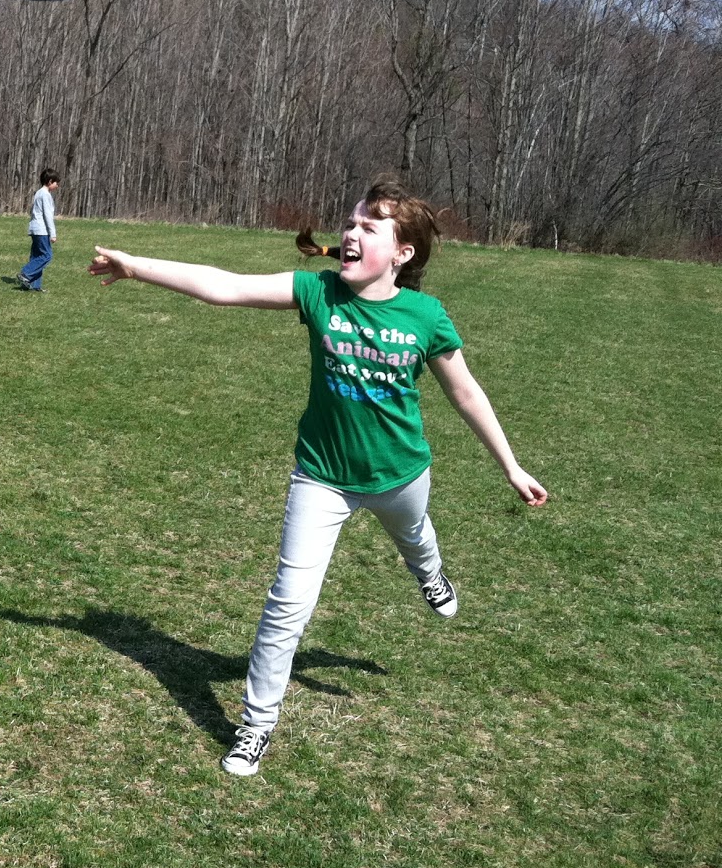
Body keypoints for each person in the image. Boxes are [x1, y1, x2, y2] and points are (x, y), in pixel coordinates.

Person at [88, 176, 547, 777]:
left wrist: (511, 466)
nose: (350, 234)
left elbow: (465, 392)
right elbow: (223, 287)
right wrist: (135, 265)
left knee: (416, 540)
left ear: (402, 254)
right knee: (288, 605)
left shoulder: (426, 316)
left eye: (368, 228)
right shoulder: (318, 292)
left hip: (400, 475)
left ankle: (431, 576)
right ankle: (256, 726)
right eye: (350, 223)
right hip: (322, 478)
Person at [17, 167, 60, 290]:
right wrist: (53, 233)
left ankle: (34, 285)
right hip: (42, 230)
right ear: (50, 181)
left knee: (36, 256)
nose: (57, 186)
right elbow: (48, 215)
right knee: (47, 255)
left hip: (34, 229)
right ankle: (25, 273)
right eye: (56, 183)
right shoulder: (45, 195)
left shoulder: (38, 193)